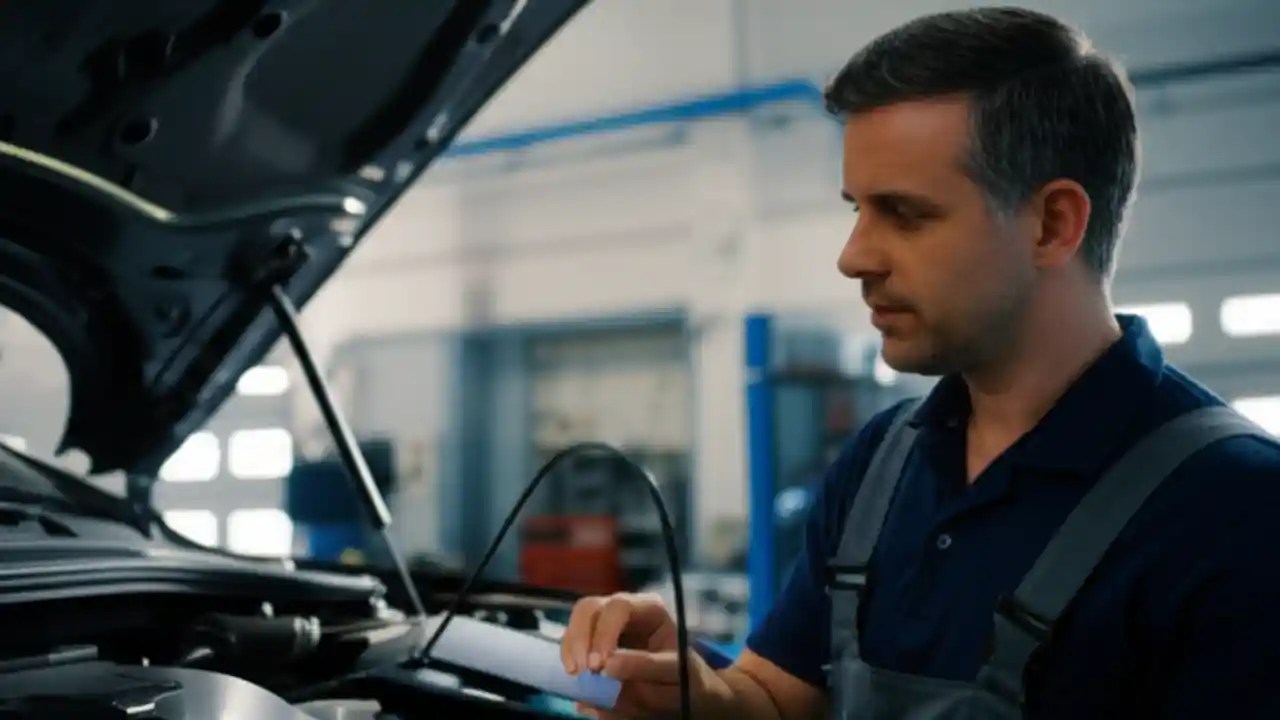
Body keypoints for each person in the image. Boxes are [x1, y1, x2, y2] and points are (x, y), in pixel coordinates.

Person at [559, 6, 1280, 719]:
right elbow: (779, 699)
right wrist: (691, 695)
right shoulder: (881, 463)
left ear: (1054, 223)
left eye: (904, 215)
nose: (853, 258)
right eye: (857, 211)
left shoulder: (1235, 510)